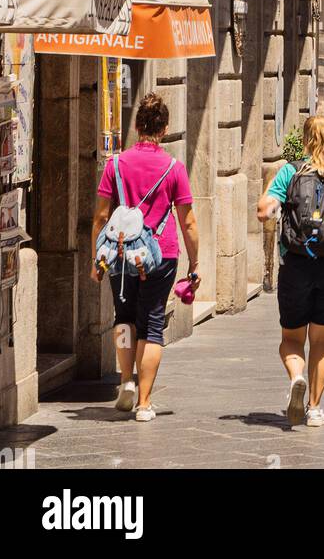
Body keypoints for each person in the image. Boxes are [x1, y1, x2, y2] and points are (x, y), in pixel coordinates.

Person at [91, 92, 200, 423]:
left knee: (123, 317)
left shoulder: (115, 165)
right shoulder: (173, 168)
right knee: (152, 322)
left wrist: (97, 259)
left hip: (121, 252)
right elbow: (188, 221)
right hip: (161, 254)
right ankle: (144, 401)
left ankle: (125, 381)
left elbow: (100, 217)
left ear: (137, 126)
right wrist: (195, 262)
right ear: (164, 129)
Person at [257, 115, 324, 428]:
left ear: (305, 140)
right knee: (321, 340)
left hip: (295, 264)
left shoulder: (290, 171)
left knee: (292, 337)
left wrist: (277, 209)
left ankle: (296, 376)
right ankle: (315, 408)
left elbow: (264, 210)